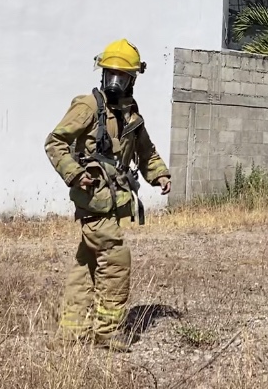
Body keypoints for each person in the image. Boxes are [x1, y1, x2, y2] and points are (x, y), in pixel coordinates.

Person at [44, 39, 172, 352]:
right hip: (93, 200)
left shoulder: (130, 113)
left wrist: (159, 174)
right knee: (115, 259)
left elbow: (146, 151)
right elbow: (55, 142)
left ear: (132, 79)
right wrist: (75, 173)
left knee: (86, 265)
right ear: (102, 74)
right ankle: (107, 331)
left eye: (122, 76)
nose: (115, 81)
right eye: (110, 74)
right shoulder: (88, 106)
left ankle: (72, 332)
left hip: (114, 201)